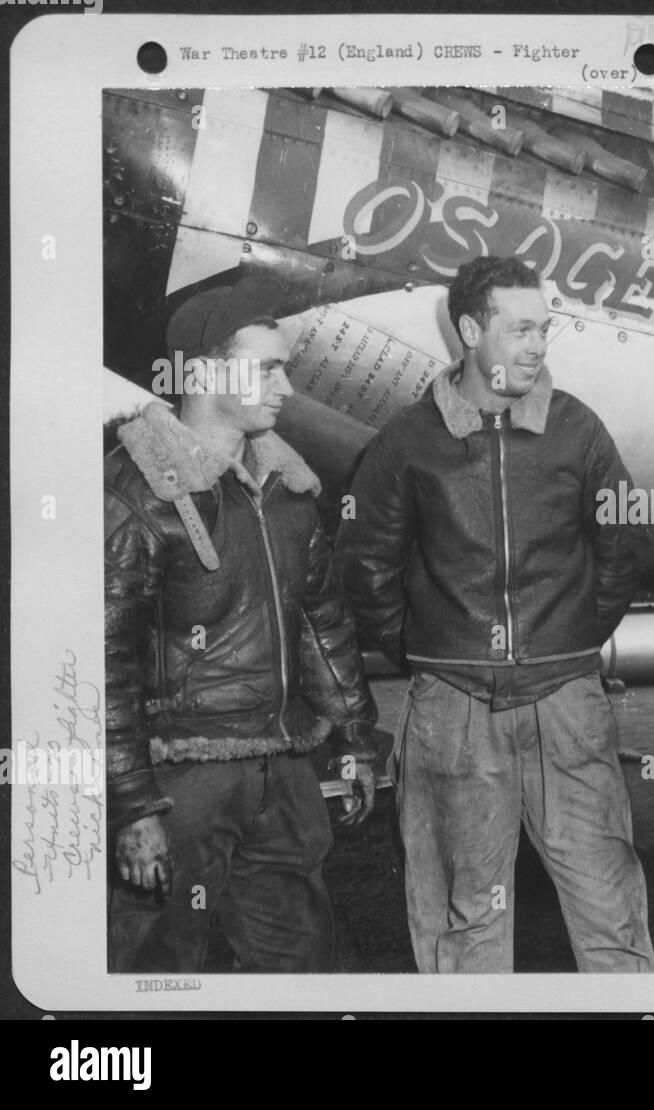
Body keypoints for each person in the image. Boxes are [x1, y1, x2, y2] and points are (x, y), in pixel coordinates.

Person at [336, 256, 654, 973]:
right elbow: (367, 567)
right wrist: (434, 651)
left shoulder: (578, 431)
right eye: (519, 330)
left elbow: (621, 546)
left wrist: (567, 641)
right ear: (471, 330)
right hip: (452, 711)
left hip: (566, 703)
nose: (538, 345)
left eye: (544, 328)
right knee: (465, 921)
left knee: (611, 913)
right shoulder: (409, 442)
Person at [106, 277, 379, 973]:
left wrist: (353, 738)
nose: (286, 387)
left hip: (282, 773)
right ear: (201, 373)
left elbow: (323, 625)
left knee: (296, 971)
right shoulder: (139, 491)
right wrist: (133, 805)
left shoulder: (290, 490)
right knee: (159, 976)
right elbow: (105, 663)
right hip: (180, 784)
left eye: (284, 367)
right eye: (266, 369)